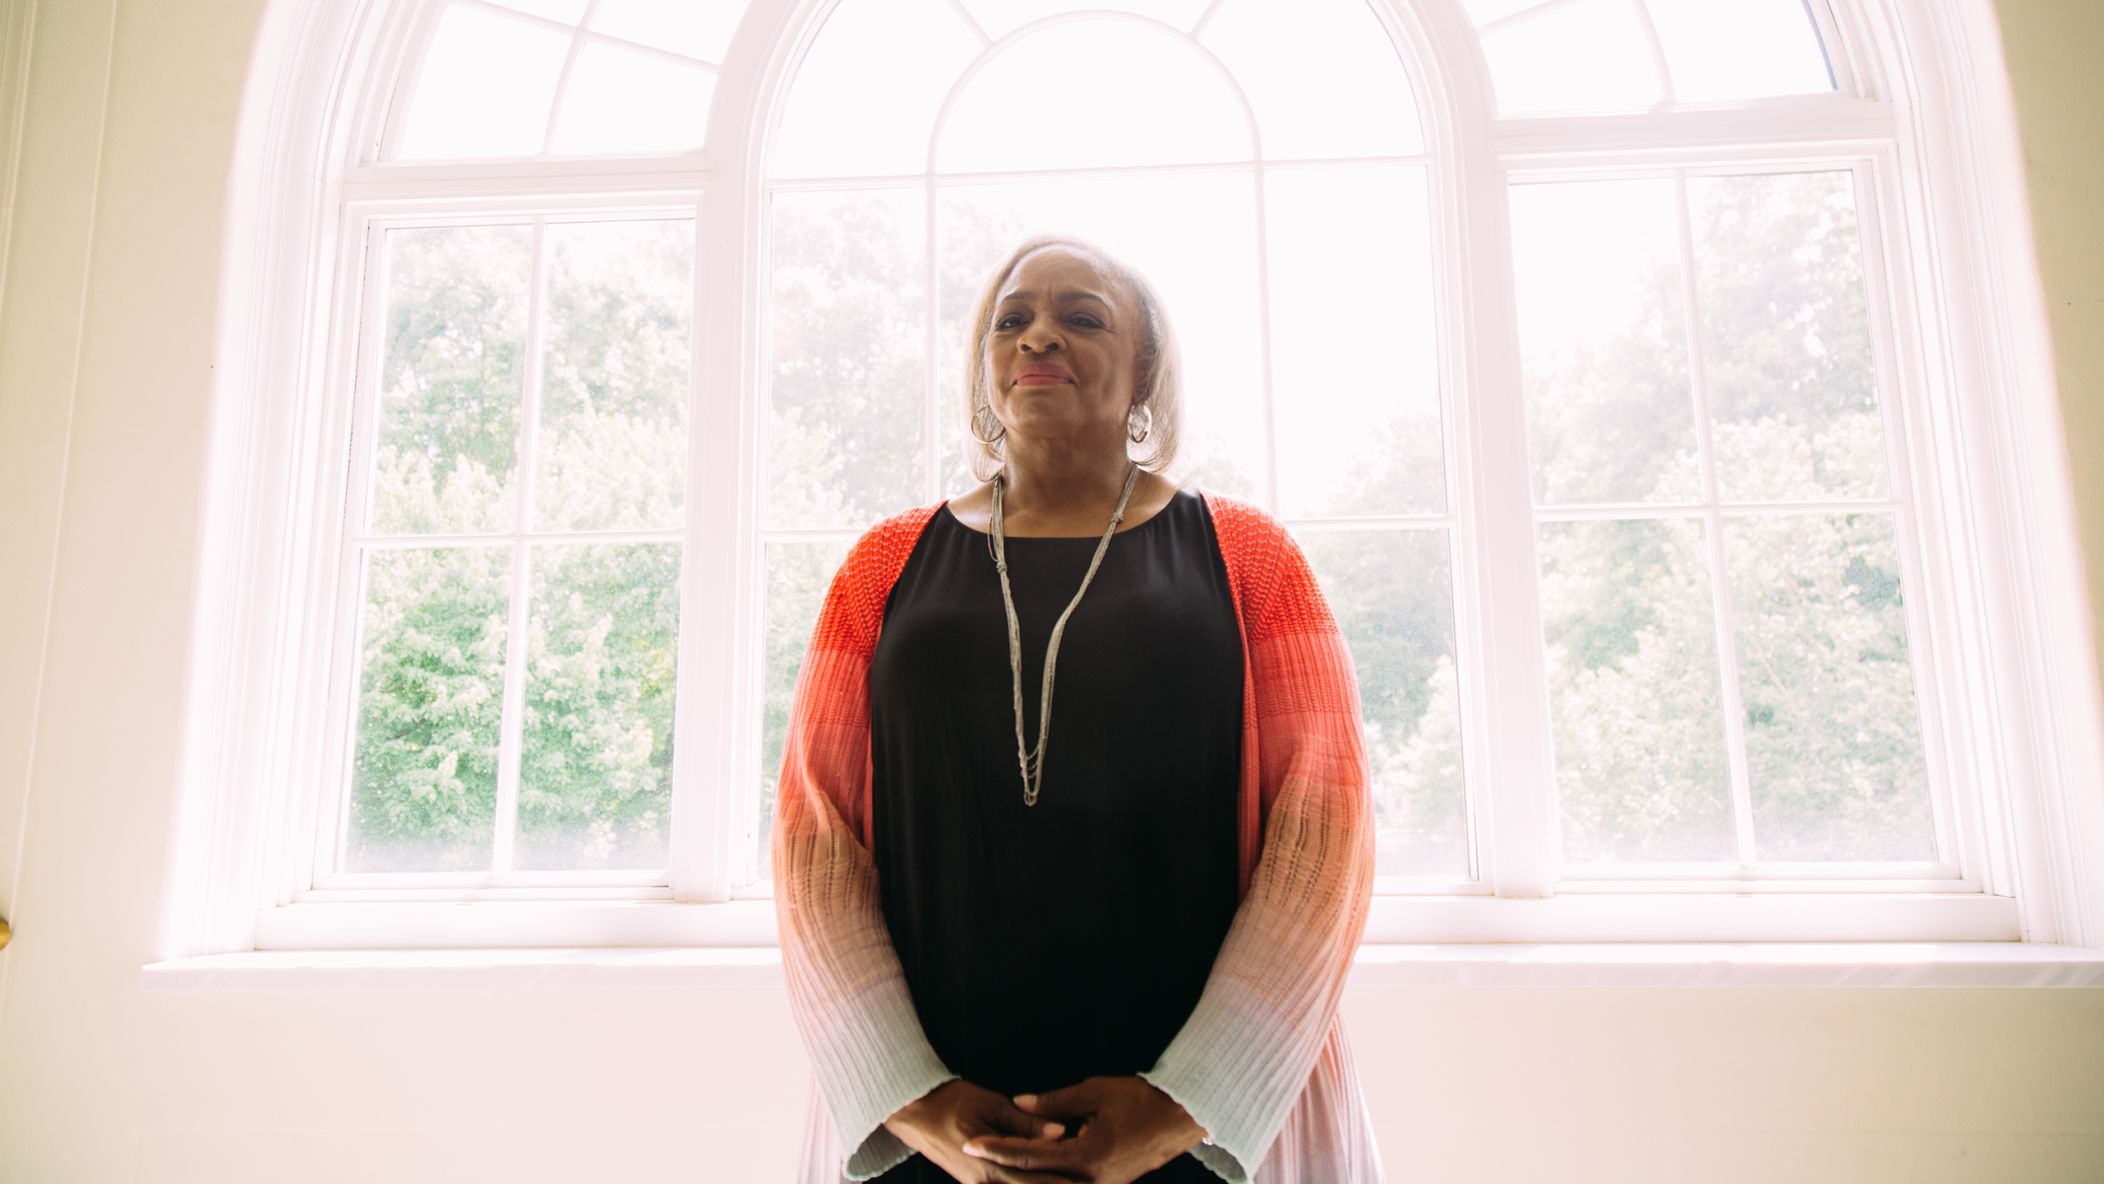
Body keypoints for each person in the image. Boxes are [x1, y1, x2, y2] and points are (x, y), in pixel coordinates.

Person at [773, 234, 1383, 1183]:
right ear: (984, 373)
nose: (1037, 335)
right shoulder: (879, 568)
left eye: (1081, 316)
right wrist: (914, 1100)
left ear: (1145, 372)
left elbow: (1323, 844)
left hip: (1196, 1132)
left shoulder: (1251, 560)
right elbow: (814, 841)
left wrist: (1183, 1106)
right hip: (930, 1124)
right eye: (1011, 320)